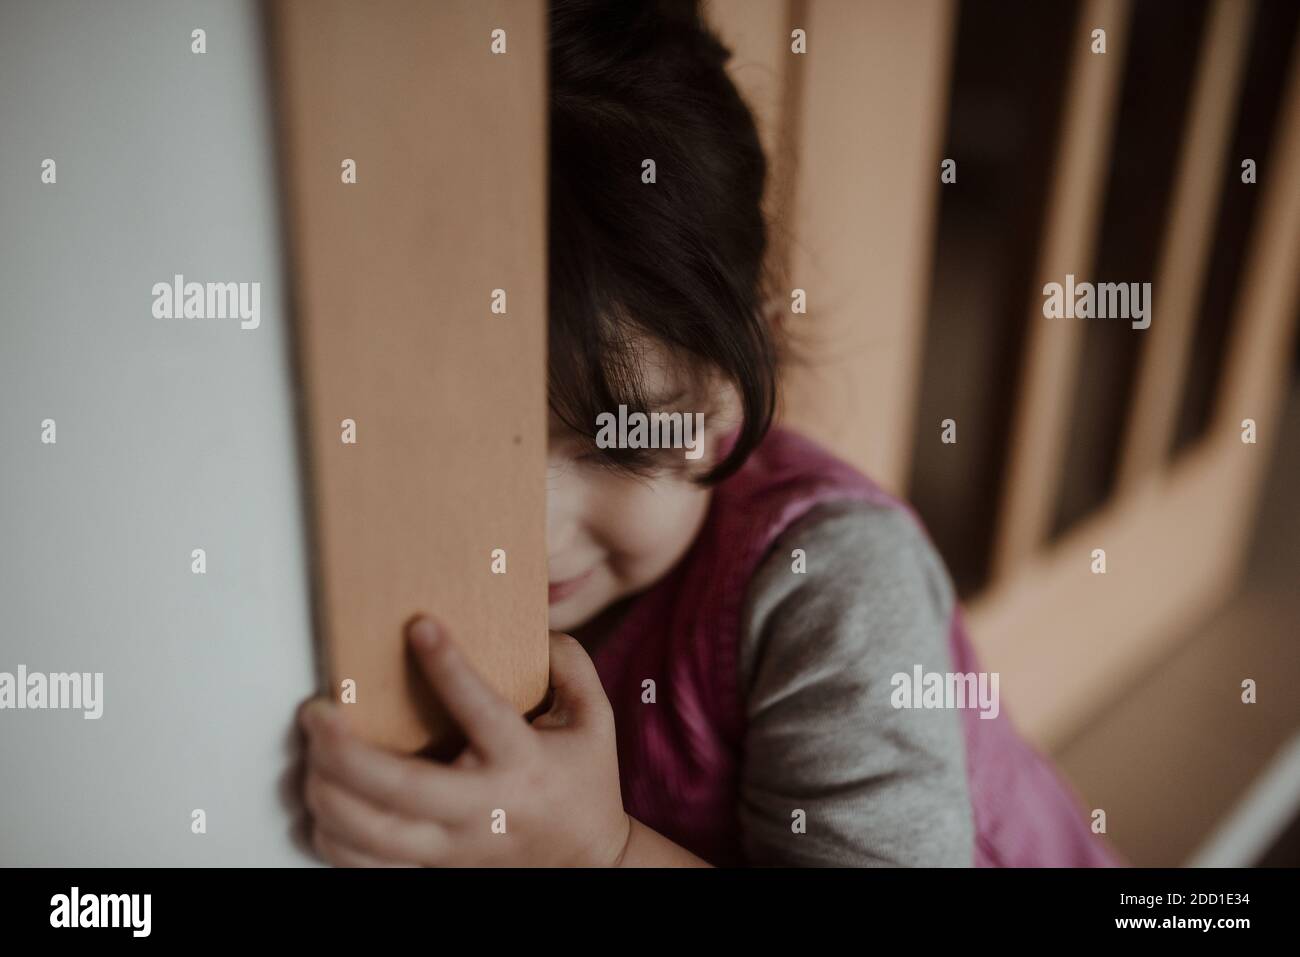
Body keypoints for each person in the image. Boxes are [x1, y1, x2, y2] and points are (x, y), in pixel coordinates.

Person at [296, 0, 1120, 868]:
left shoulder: (832, 583)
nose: (532, 537)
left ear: (734, 379)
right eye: (463, 451)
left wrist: (596, 852)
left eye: (620, 443)